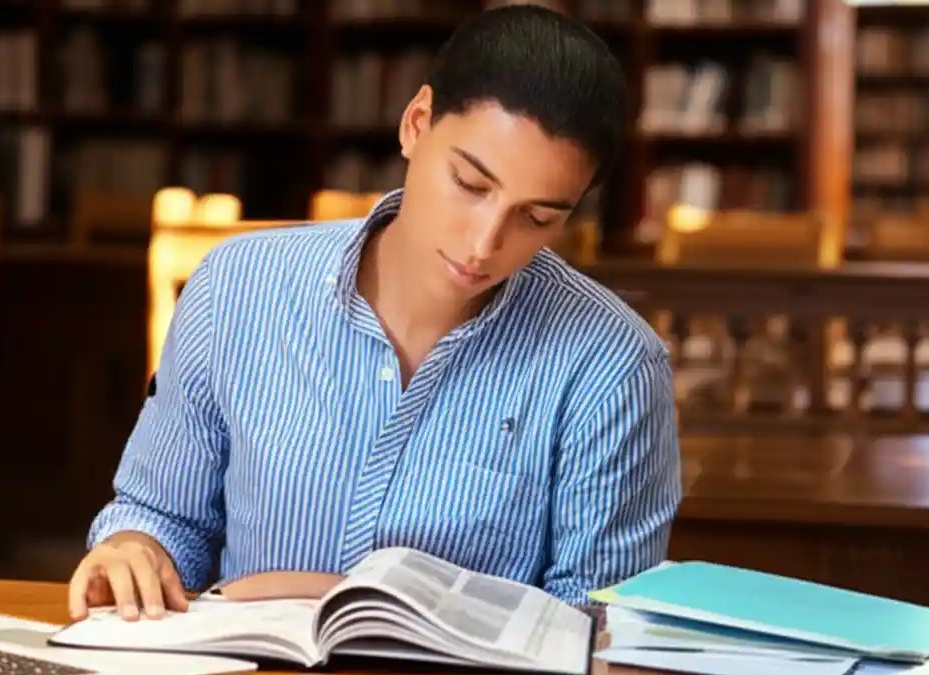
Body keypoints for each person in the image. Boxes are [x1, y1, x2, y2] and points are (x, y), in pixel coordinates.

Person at [68, 4, 680, 622]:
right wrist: (133, 549)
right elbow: (163, 516)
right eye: (469, 184)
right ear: (416, 123)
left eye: (538, 217)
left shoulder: (612, 366)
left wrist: (329, 594)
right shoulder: (237, 289)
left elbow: (598, 627)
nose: (483, 243)